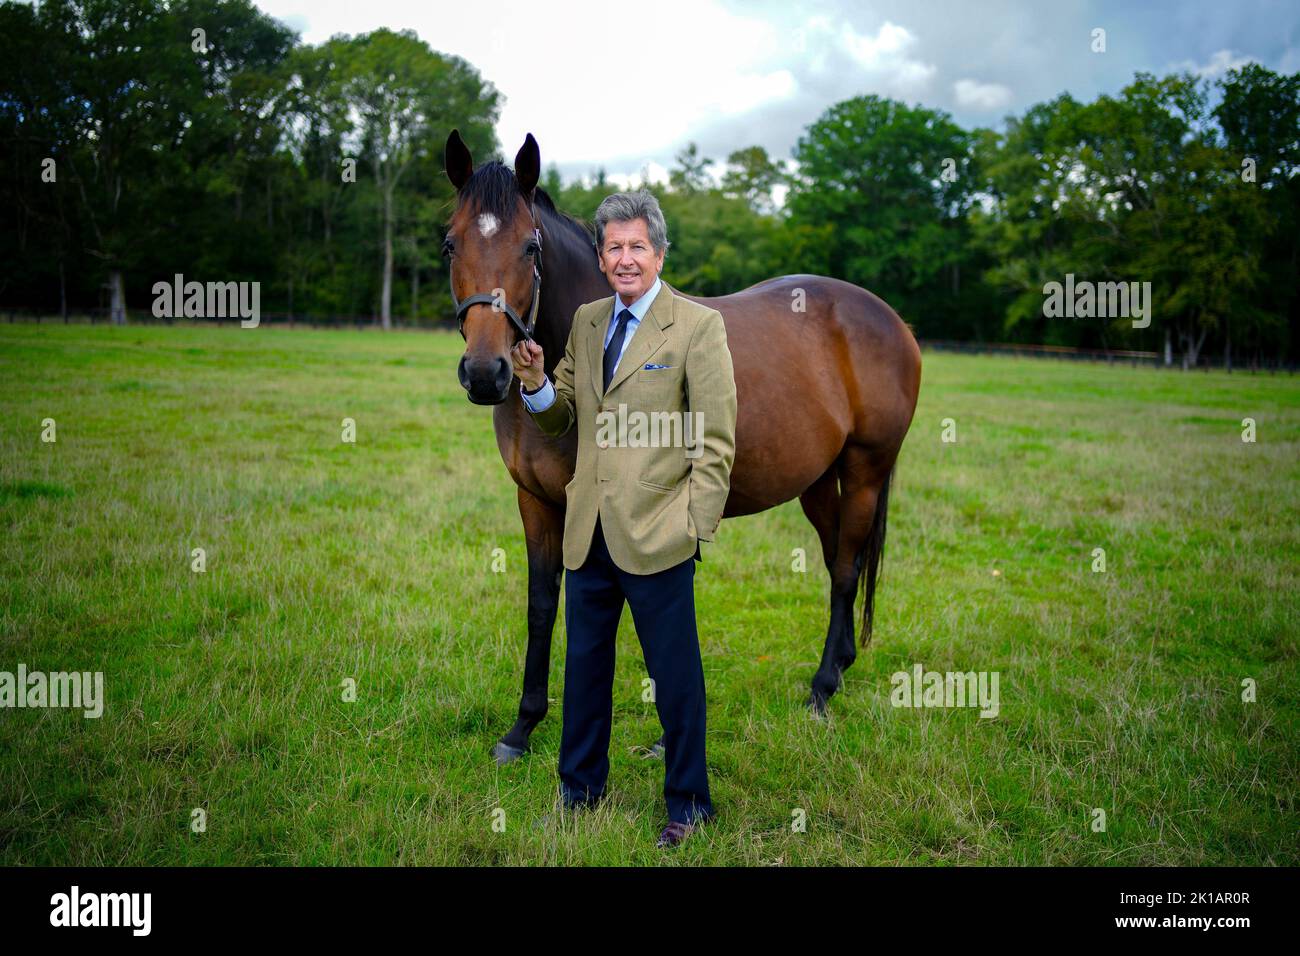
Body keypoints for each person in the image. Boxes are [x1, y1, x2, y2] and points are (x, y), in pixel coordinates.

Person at [510, 190, 737, 848]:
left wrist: (695, 525)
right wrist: (534, 384)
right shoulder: (586, 321)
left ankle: (689, 802)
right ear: (602, 257)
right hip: (589, 530)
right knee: (583, 669)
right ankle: (579, 791)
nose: (626, 258)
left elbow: (716, 440)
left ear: (659, 253)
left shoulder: (696, 327)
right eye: (614, 247)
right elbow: (564, 415)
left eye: (638, 245)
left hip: (660, 533)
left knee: (675, 676)